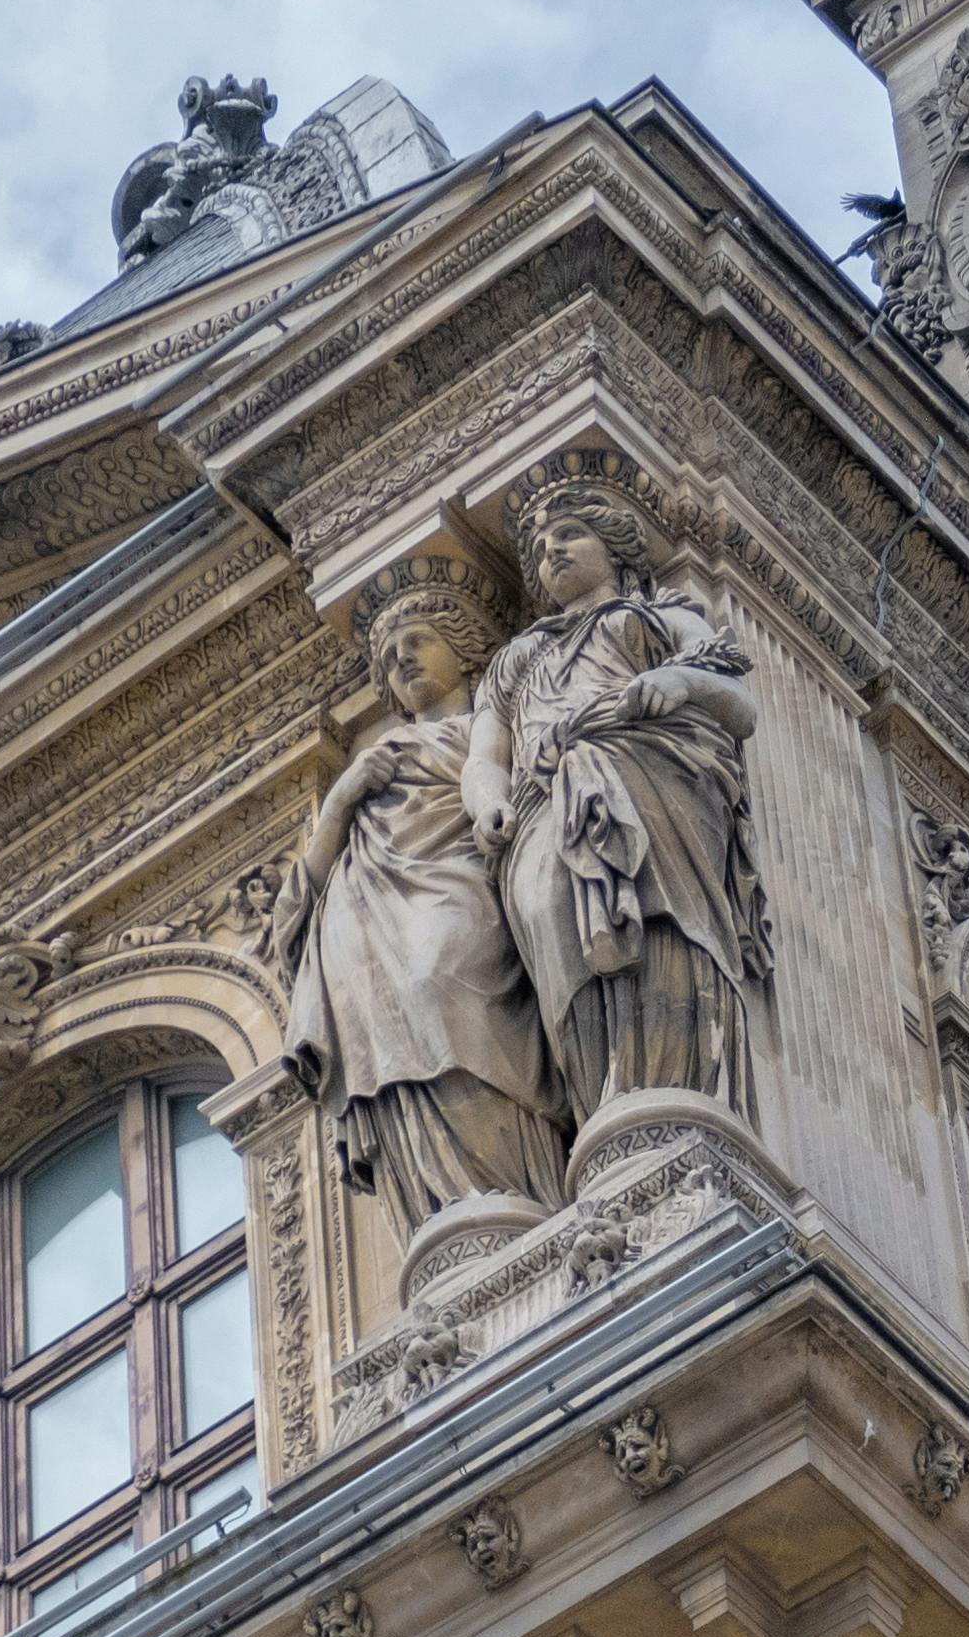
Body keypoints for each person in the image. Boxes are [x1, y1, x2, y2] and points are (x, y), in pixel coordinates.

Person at [471, 447, 766, 1115]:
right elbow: (483, 754)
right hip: (543, 798)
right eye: (541, 547)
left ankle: (672, 1086)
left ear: (616, 544)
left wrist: (678, 679)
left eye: (571, 534)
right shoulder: (519, 656)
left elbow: (736, 702)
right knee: (551, 909)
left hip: (650, 773)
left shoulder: (663, 617)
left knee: (658, 912)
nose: (553, 552)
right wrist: (487, 799)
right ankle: (604, 1098)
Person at [283, 553, 565, 1228]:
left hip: (456, 893)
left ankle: (514, 1192)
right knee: (388, 1022)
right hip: (364, 932)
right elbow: (299, 904)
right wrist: (343, 799)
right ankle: (445, 1208)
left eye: (417, 643)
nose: (401, 660)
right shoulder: (370, 766)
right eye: (387, 655)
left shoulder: (492, 732)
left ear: (466, 652)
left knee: (437, 982)